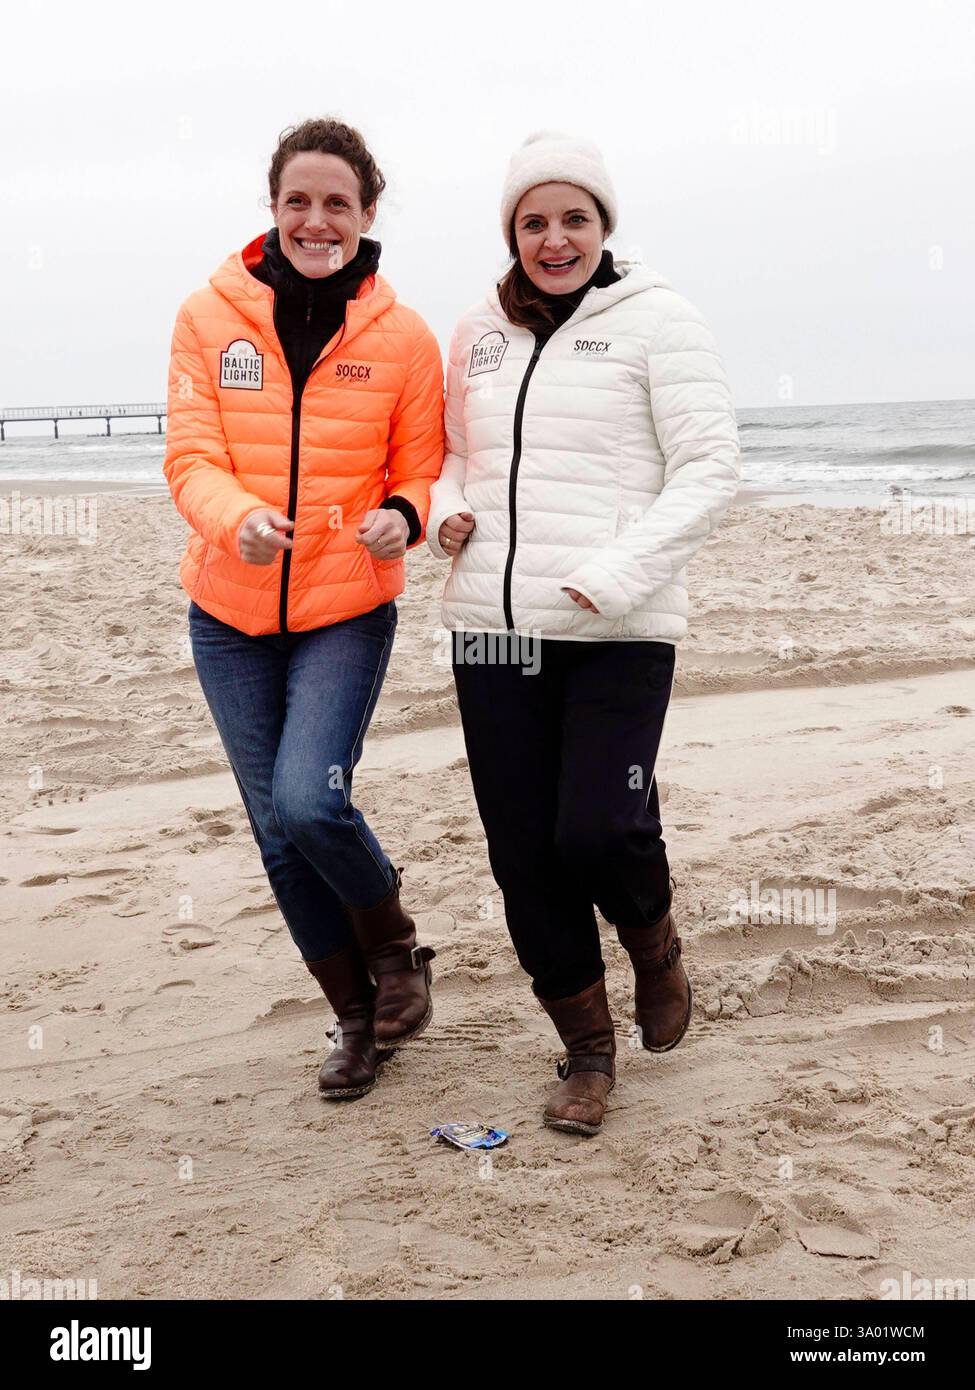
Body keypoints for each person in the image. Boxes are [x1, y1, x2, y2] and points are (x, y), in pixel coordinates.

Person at [427, 131, 740, 1136]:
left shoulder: (660, 320)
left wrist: (616, 572)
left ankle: (653, 944)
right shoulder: (478, 328)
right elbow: (447, 454)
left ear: (604, 226)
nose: (553, 239)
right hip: (493, 629)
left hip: (616, 624)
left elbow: (709, 467)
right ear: (511, 232)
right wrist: (443, 514)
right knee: (524, 854)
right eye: (533, 222)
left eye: (573, 218)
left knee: (599, 825)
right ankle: (587, 1052)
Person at [163, 118, 444, 1102]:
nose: (315, 220)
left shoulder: (405, 338)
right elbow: (189, 456)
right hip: (226, 613)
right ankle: (357, 1017)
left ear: (367, 214)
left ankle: (397, 945)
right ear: (272, 207)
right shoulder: (208, 317)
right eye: (297, 200)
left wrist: (400, 517)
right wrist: (234, 518)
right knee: (276, 831)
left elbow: (420, 468)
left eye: (337, 203)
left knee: (311, 799)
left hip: (343, 608)